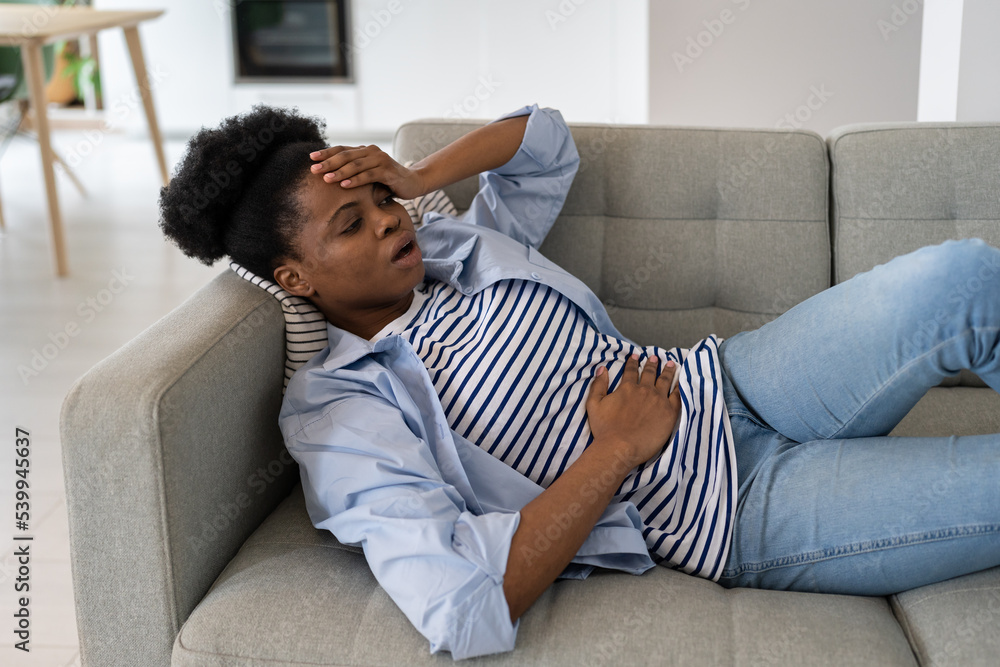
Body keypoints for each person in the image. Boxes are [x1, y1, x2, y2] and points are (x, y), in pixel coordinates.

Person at [158, 102, 1000, 660]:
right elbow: (462, 609)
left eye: (382, 199)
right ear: (296, 278)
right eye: (352, 222)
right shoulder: (341, 411)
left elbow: (543, 138)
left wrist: (420, 175)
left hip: (741, 379)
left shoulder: (458, 247)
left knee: (963, 279)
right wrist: (615, 451)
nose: (387, 222)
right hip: (736, 506)